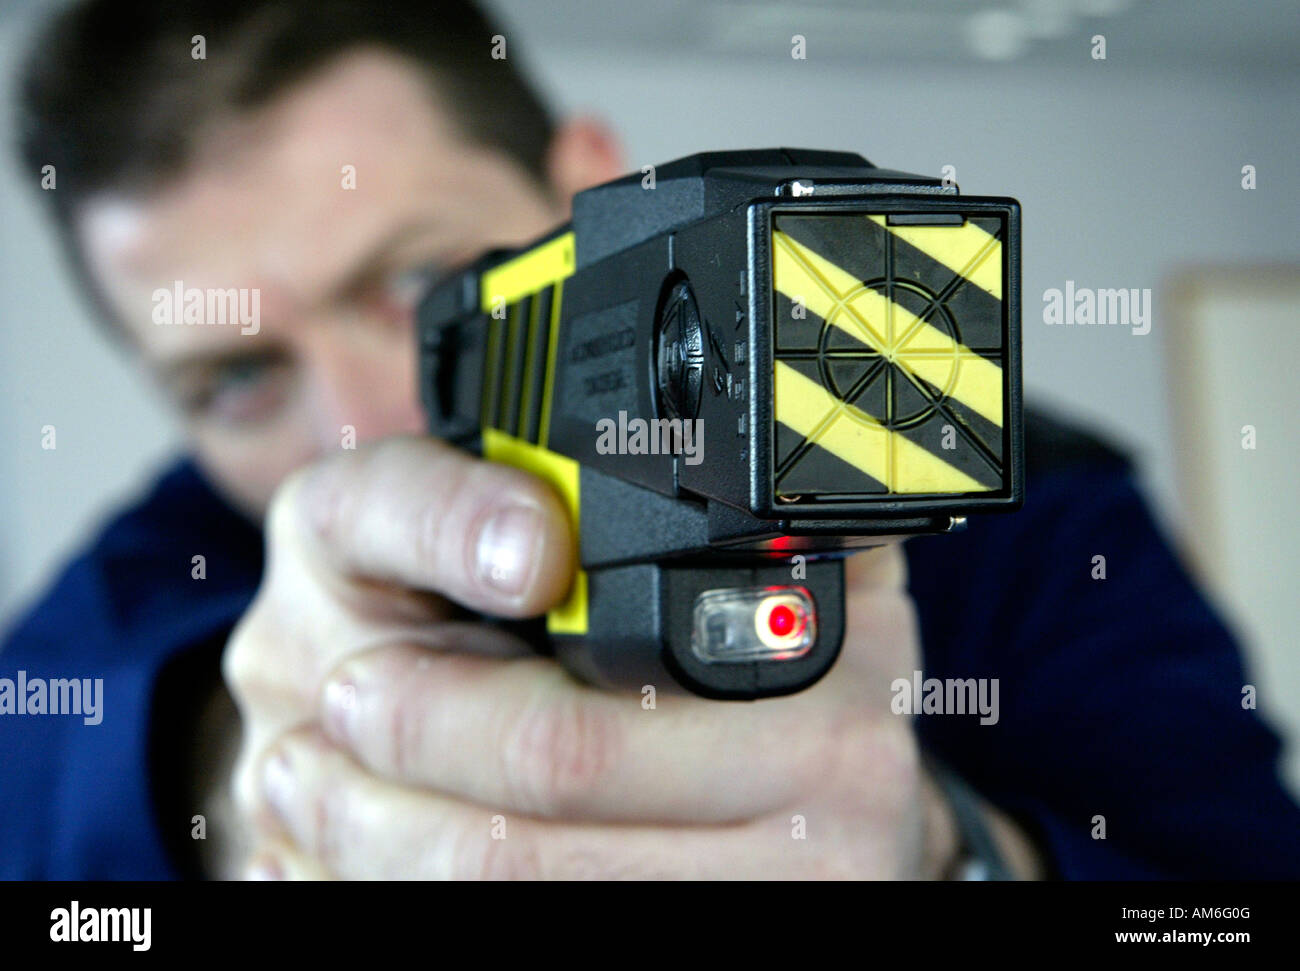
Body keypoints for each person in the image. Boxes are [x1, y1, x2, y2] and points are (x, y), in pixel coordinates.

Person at [3, 0, 1297, 880]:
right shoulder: (173, 560)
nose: (359, 426)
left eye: (417, 286)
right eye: (238, 375)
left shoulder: (1014, 500)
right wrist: (245, 780)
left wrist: (942, 852)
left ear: (589, 180)